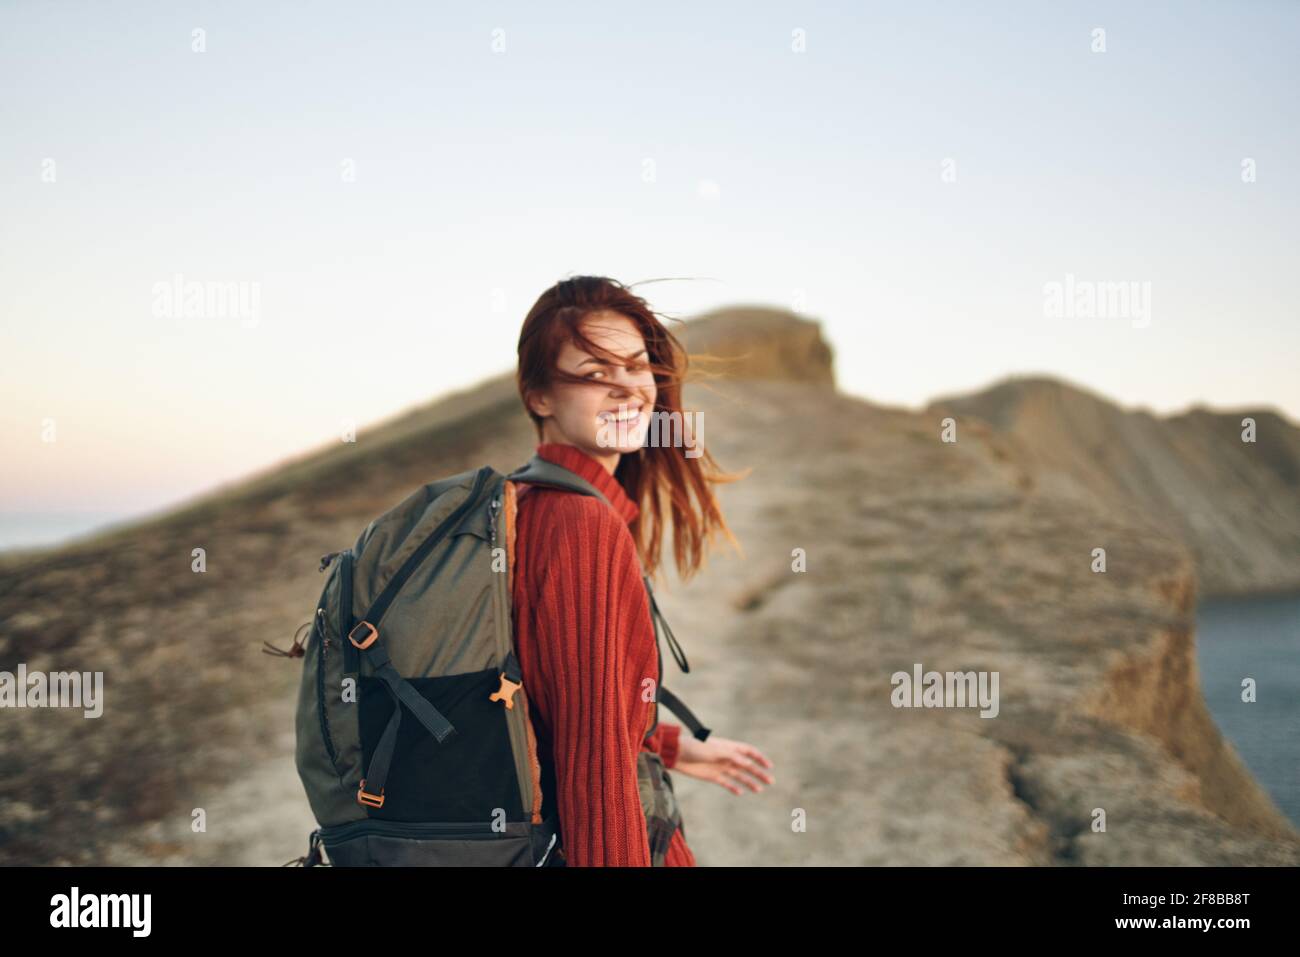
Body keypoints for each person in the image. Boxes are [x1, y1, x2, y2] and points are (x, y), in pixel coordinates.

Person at [510, 275, 775, 866]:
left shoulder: (527, 502)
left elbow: (553, 703)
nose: (627, 388)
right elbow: (593, 756)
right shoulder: (580, 524)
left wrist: (673, 747)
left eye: (635, 366)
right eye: (595, 373)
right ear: (539, 397)